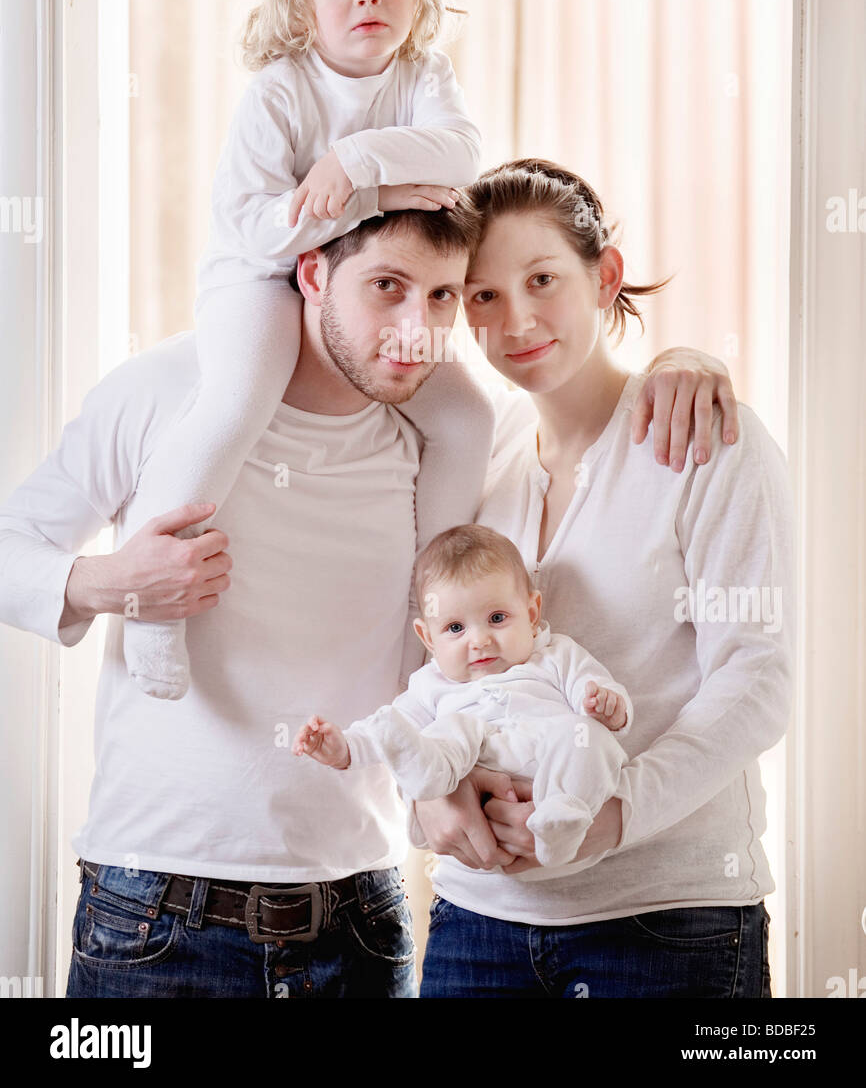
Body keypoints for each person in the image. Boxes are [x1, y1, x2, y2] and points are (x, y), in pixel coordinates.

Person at [0, 189, 738, 999]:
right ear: (313, 274)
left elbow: (453, 656)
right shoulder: (164, 392)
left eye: (444, 297)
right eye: (387, 286)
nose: (417, 327)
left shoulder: (446, 440)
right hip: (157, 912)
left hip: (360, 915)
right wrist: (105, 581)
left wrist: (684, 362)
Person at [411, 158, 795, 999]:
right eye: (482, 295)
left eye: (542, 278)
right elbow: (431, 662)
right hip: (478, 924)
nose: (516, 320)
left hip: (668, 923)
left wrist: (611, 817)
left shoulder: (707, 440)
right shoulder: (480, 456)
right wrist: (430, 799)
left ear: (604, 275)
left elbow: (757, 681)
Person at [121, 0, 494, 700]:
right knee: (237, 400)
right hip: (257, 280)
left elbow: (460, 155)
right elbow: (253, 226)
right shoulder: (279, 91)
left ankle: (428, 622)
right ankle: (153, 608)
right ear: (300, 2)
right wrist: (373, 200)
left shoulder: (423, 74)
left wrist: (354, 165)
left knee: (467, 415)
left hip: (359, 291)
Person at [293, 523, 632, 869]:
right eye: (455, 628)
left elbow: (596, 689)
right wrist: (344, 748)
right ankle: (429, 771)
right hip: (472, 762)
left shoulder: (555, 655)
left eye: (497, 618)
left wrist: (609, 707)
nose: (479, 640)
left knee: (585, 735)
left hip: (548, 759)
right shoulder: (431, 684)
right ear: (428, 638)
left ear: (531, 614)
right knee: (447, 729)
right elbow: (397, 732)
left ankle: (563, 817)